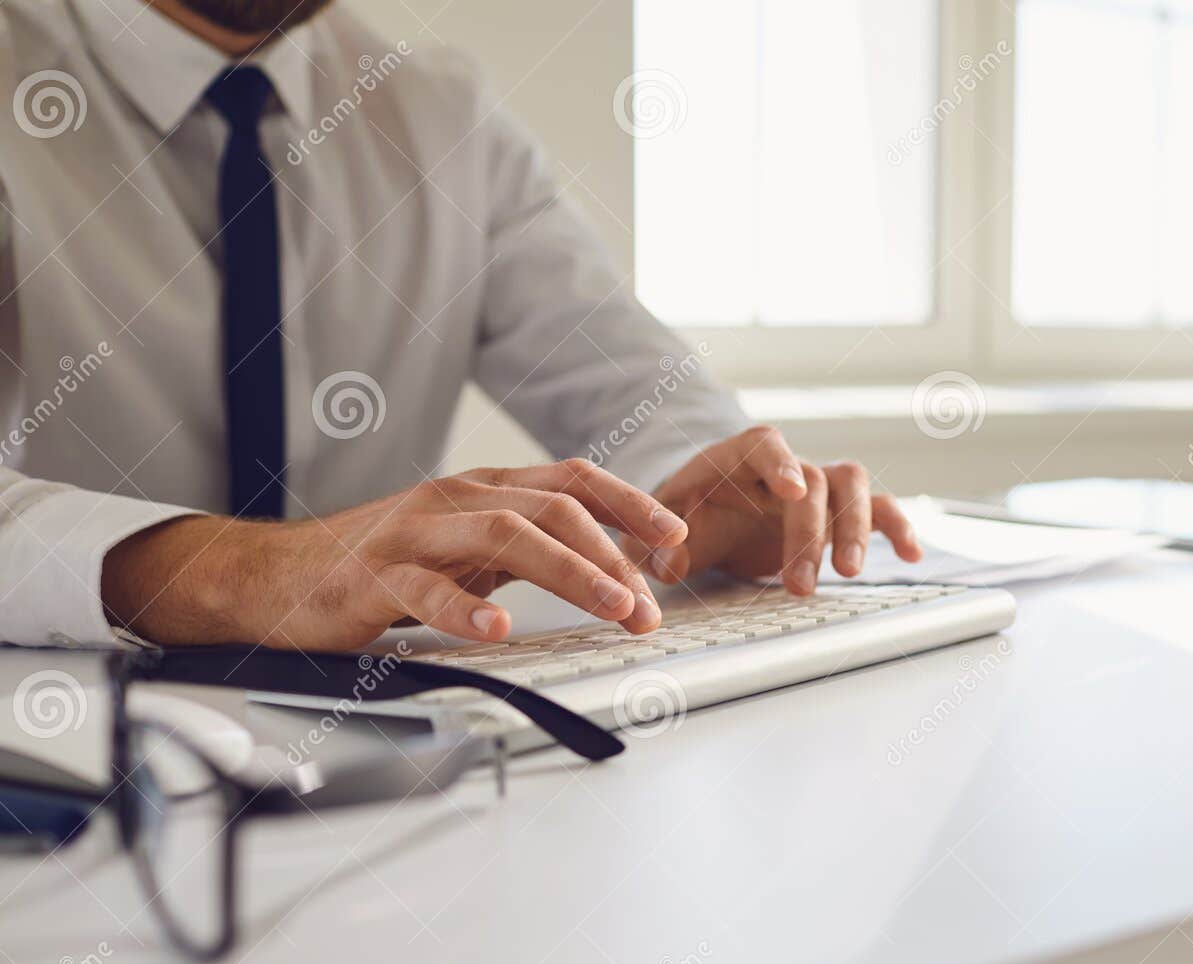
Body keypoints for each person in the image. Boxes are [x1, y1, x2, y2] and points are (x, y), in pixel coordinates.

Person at [0, 0, 921, 651]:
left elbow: (618, 374)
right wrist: (245, 575)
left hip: (390, 752)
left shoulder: (439, 112)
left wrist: (713, 499)